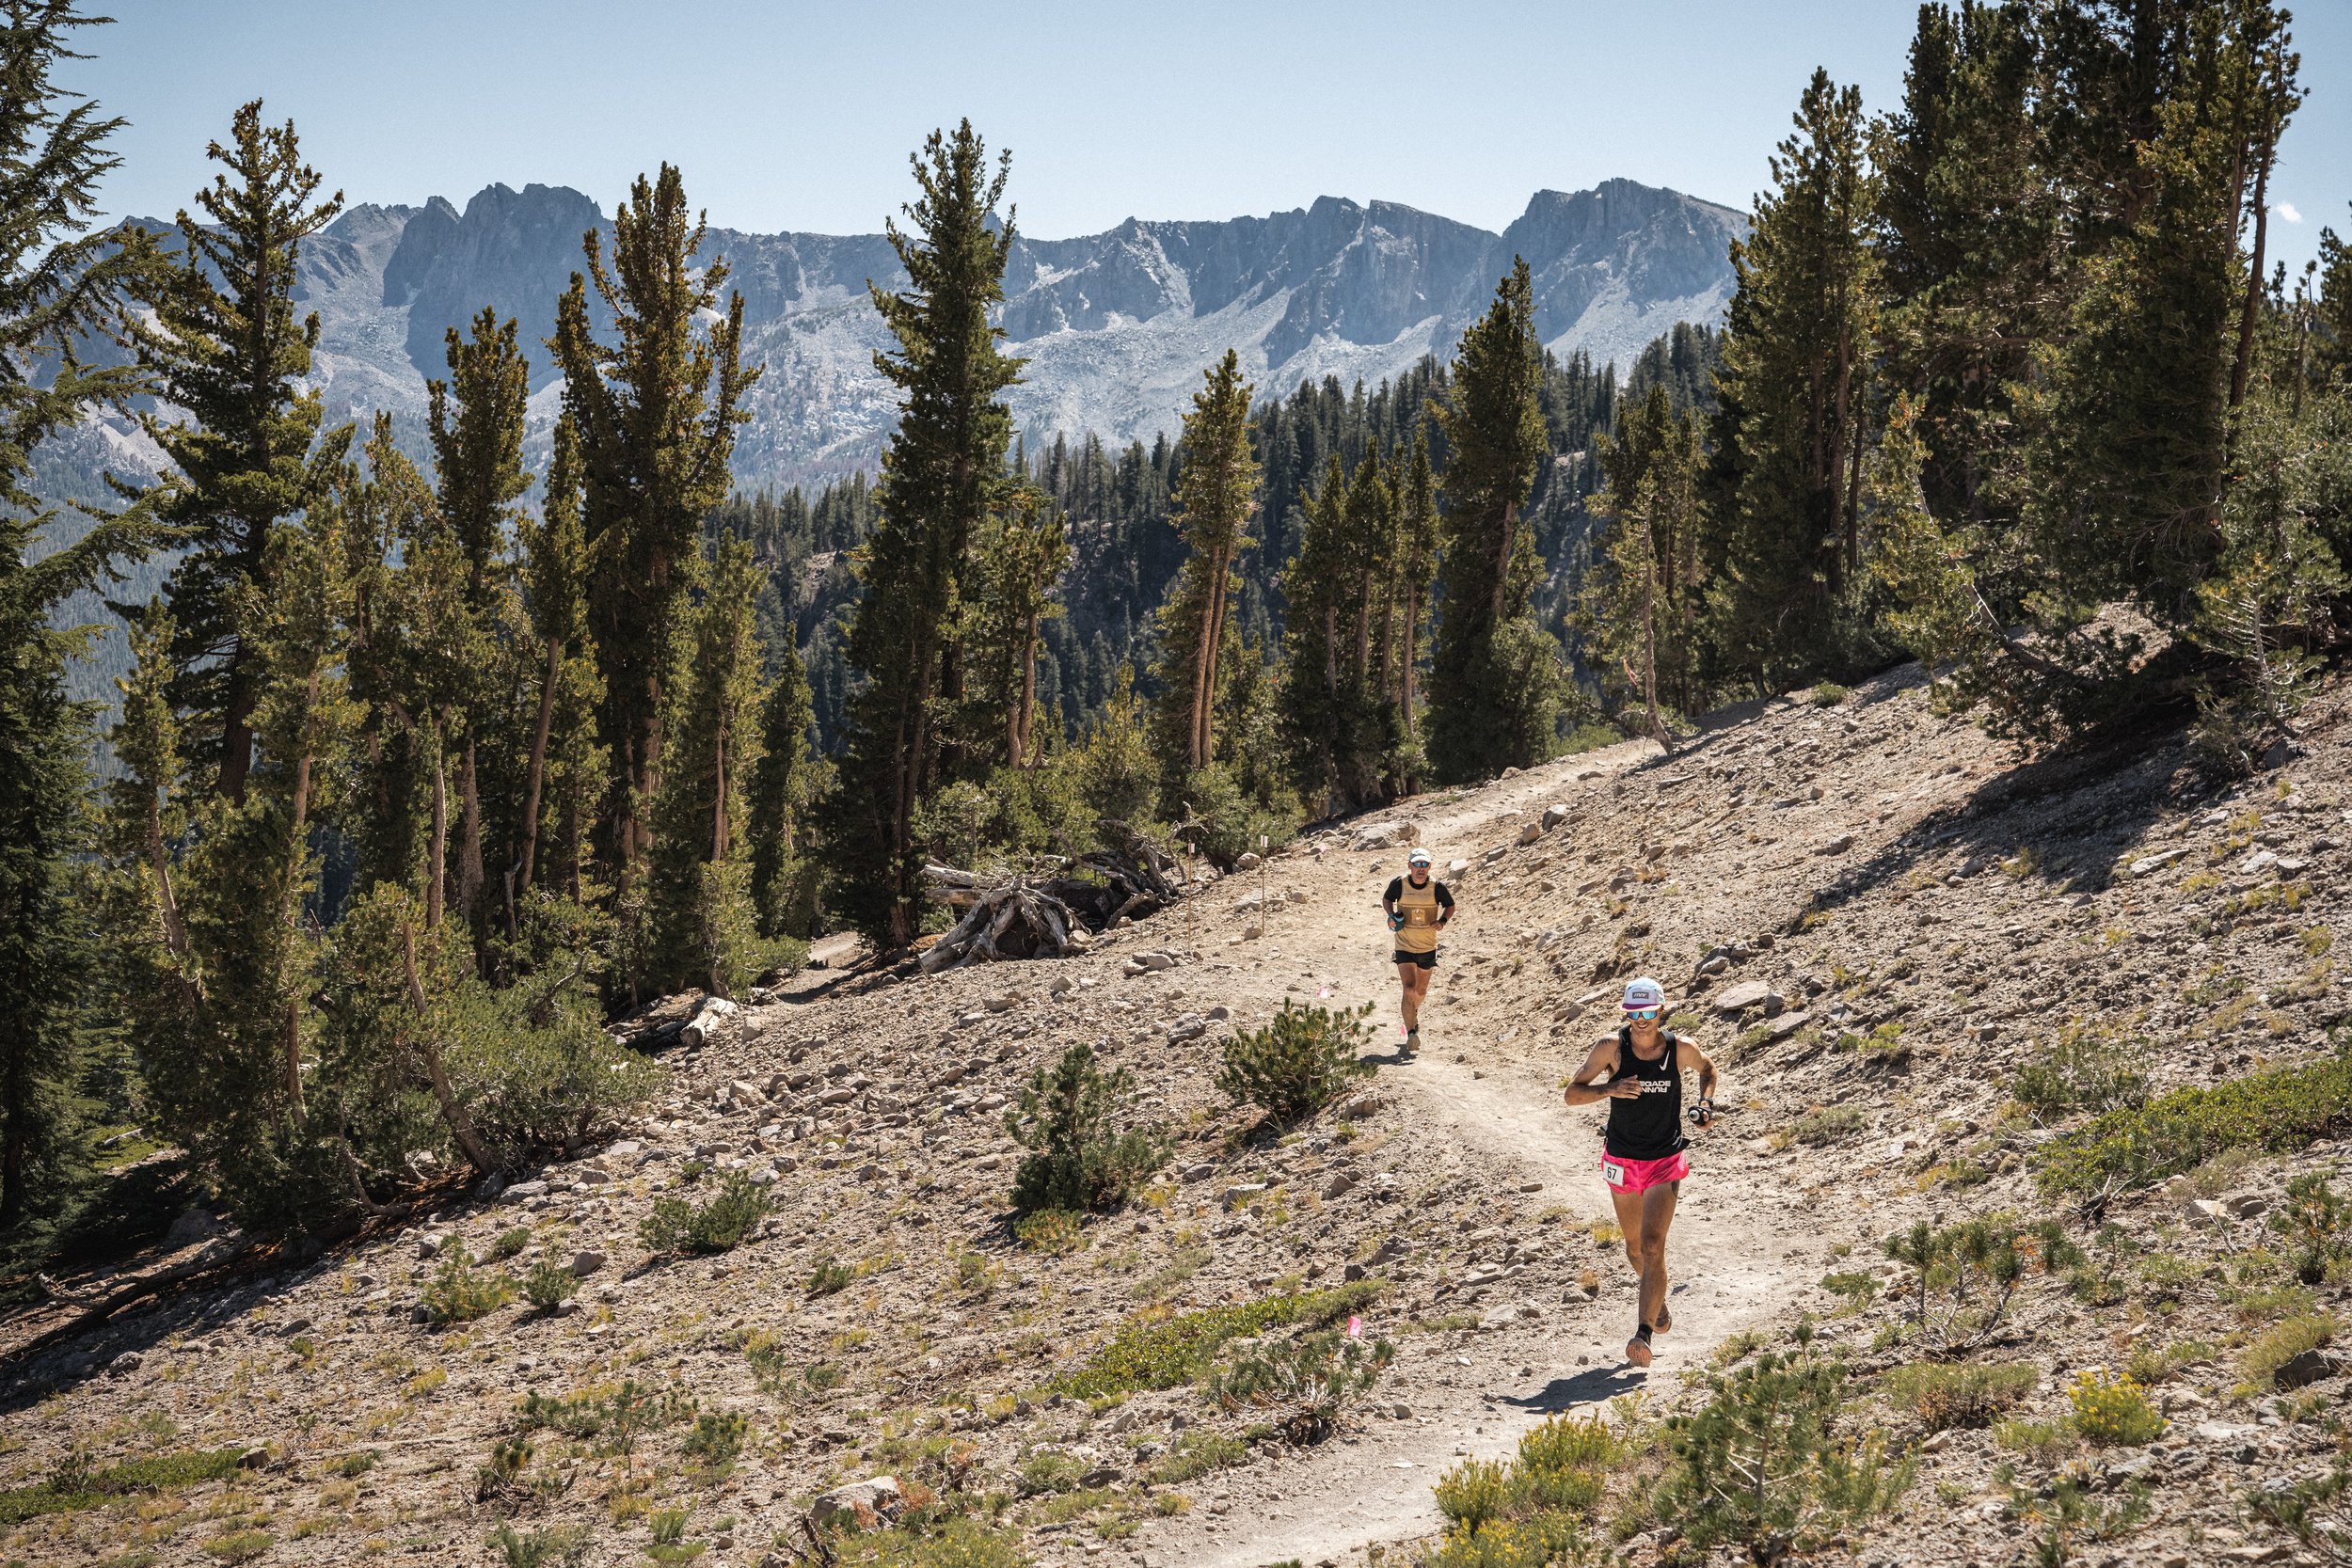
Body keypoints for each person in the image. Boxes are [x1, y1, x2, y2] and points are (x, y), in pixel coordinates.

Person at [1561, 976, 1718, 1368]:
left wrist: (1705, 1105)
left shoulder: (1680, 1049)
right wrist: (1609, 1089)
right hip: (1622, 1160)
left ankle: (1643, 1332)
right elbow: (1571, 1094)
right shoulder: (1610, 1048)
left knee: (1652, 1245)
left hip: (1665, 1159)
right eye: (1633, 1013)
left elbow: (1709, 1070)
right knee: (1634, 1249)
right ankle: (1657, 1303)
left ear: (1661, 1010)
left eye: (1648, 1012)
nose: (1641, 1020)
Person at [1380, 847, 1453, 1056]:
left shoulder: (1437, 887)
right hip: (1404, 945)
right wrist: (1391, 915)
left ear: (1429, 866)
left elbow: (1450, 906)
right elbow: (1387, 899)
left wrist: (1442, 921)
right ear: (1409, 865)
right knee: (1409, 989)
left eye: (1425, 865)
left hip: (1428, 946)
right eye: (1417, 864)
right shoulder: (1398, 883)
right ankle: (1411, 1032)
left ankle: (1414, 1013)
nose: (1421, 869)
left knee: (1420, 993)